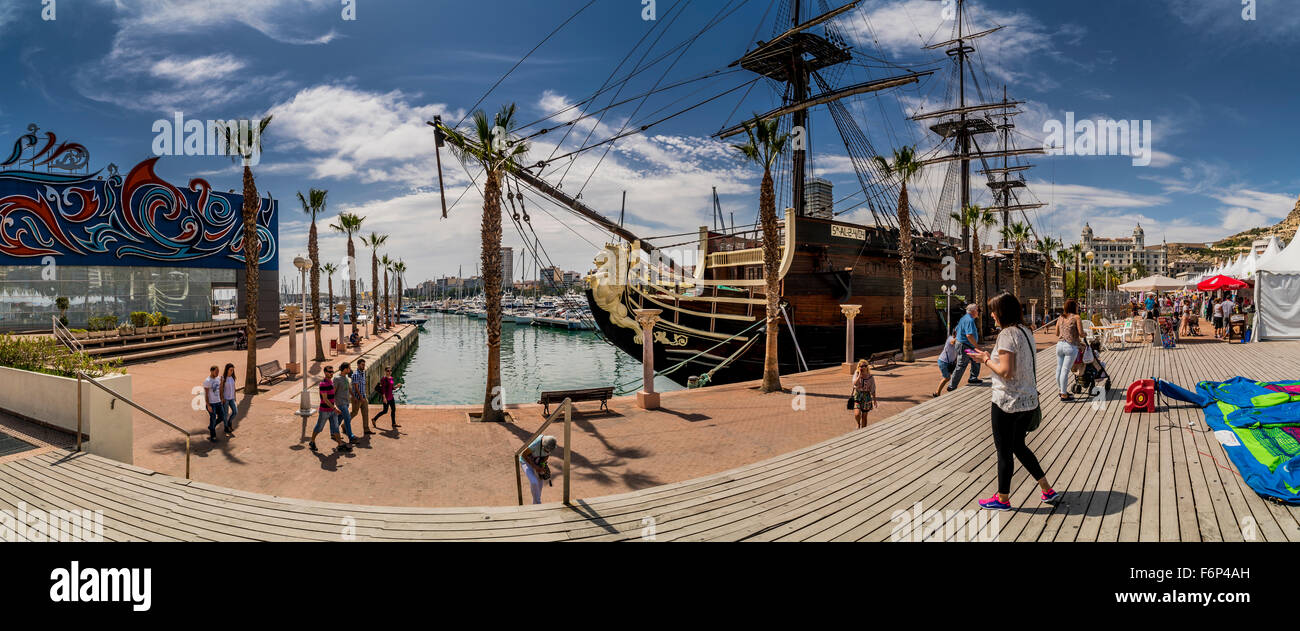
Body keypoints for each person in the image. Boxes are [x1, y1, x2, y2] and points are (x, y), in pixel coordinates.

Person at [967, 292, 1061, 511]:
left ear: (1001, 313)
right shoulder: (1026, 331)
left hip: (1007, 402)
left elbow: (1006, 372)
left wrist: (986, 359)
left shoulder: (1007, 335)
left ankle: (1002, 498)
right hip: (1028, 400)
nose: (991, 315)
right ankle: (1046, 488)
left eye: (993, 311)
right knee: (1019, 446)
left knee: (1004, 451)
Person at [309, 365, 351, 453]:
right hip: (324, 411)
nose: (331, 373)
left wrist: (334, 407)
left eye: (332, 372)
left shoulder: (331, 382)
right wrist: (334, 408)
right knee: (319, 427)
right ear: (325, 372)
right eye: (329, 372)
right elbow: (325, 399)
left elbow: (332, 397)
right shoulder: (323, 384)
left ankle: (340, 444)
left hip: (332, 410)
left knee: (336, 427)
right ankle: (312, 441)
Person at [946, 304, 983, 392]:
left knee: (976, 359)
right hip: (965, 345)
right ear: (973, 311)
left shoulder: (964, 318)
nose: (979, 312)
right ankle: (952, 386)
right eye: (978, 310)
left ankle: (973, 378)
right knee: (961, 364)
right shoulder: (969, 320)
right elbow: (969, 335)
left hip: (966, 345)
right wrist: (977, 346)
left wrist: (955, 339)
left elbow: (956, 329)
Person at [1056, 299, 1084, 401]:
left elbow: (1056, 333)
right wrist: (1084, 334)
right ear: (1074, 307)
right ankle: (1064, 394)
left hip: (1059, 345)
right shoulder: (1076, 317)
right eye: (1077, 306)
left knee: (1059, 368)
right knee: (1065, 370)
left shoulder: (1060, 317)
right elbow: (1081, 333)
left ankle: (1061, 390)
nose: (1078, 307)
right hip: (1070, 346)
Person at [519, 435, 558, 504]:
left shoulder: (551, 444)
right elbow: (524, 454)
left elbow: (547, 455)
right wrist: (535, 467)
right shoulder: (536, 444)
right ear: (543, 445)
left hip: (538, 461)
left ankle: (536, 502)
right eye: (545, 450)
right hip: (526, 461)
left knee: (540, 482)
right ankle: (538, 502)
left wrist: (542, 465)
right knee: (534, 482)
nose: (547, 451)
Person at [334, 362, 359, 444]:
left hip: (346, 402)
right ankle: (351, 436)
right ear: (345, 369)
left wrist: (354, 396)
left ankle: (333, 433)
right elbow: (333, 392)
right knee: (347, 418)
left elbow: (349, 388)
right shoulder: (337, 379)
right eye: (349, 368)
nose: (350, 369)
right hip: (340, 402)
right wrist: (334, 405)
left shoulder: (346, 378)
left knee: (340, 418)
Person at [350, 358, 373, 437]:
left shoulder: (363, 373)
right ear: (358, 365)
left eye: (364, 364)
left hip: (363, 397)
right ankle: (344, 425)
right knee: (354, 413)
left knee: (365, 413)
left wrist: (364, 397)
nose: (364, 366)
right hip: (357, 398)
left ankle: (366, 429)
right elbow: (355, 387)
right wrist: (360, 397)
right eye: (362, 364)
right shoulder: (356, 374)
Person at [851, 360, 877, 429]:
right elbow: (855, 384)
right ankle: (858, 424)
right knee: (857, 414)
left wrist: (874, 400)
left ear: (867, 367)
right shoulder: (856, 374)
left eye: (865, 366)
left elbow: (873, 389)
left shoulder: (871, 377)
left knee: (864, 416)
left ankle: (863, 430)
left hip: (867, 397)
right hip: (858, 395)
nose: (864, 367)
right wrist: (859, 375)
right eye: (862, 366)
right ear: (859, 367)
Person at [933, 328, 959, 398]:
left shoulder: (959, 342)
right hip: (943, 362)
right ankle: (936, 393)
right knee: (947, 378)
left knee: (956, 376)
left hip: (951, 362)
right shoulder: (950, 338)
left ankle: (952, 390)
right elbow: (953, 342)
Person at [202, 365, 225, 443]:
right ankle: (213, 436)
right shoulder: (207, 381)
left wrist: (222, 398)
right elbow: (206, 394)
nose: (217, 373)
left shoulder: (218, 378)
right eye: (216, 371)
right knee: (213, 418)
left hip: (218, 402)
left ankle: (211, 427)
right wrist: (208, 405)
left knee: (222, 417)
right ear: (211, 371)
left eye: (218, 371)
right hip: (211, 404)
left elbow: (220, 389)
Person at [220, 363, 237, 437]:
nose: (232, 371)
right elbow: (221, 389)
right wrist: (222, 398)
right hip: (226, 399)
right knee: (226, 414)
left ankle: (229, 422)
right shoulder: (223, 378)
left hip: (232, 398)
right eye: (230, 370)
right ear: (227, 370)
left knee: (235, 412)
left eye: (232, 370)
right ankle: (226, 427)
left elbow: (234, 388)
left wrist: (235, 397)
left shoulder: (232, 378)